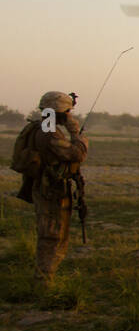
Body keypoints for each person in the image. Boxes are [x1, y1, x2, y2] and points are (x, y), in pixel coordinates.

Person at [17, 91, 89, 288]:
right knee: (52, 235)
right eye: (67, 112)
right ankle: (43, 281)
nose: (69, 116)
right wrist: (77, 134)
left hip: (45, 186)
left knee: (50, 233)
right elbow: (76, 153)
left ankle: (44, 278)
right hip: (51, 189)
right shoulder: (49, 133)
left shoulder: (40, 127)